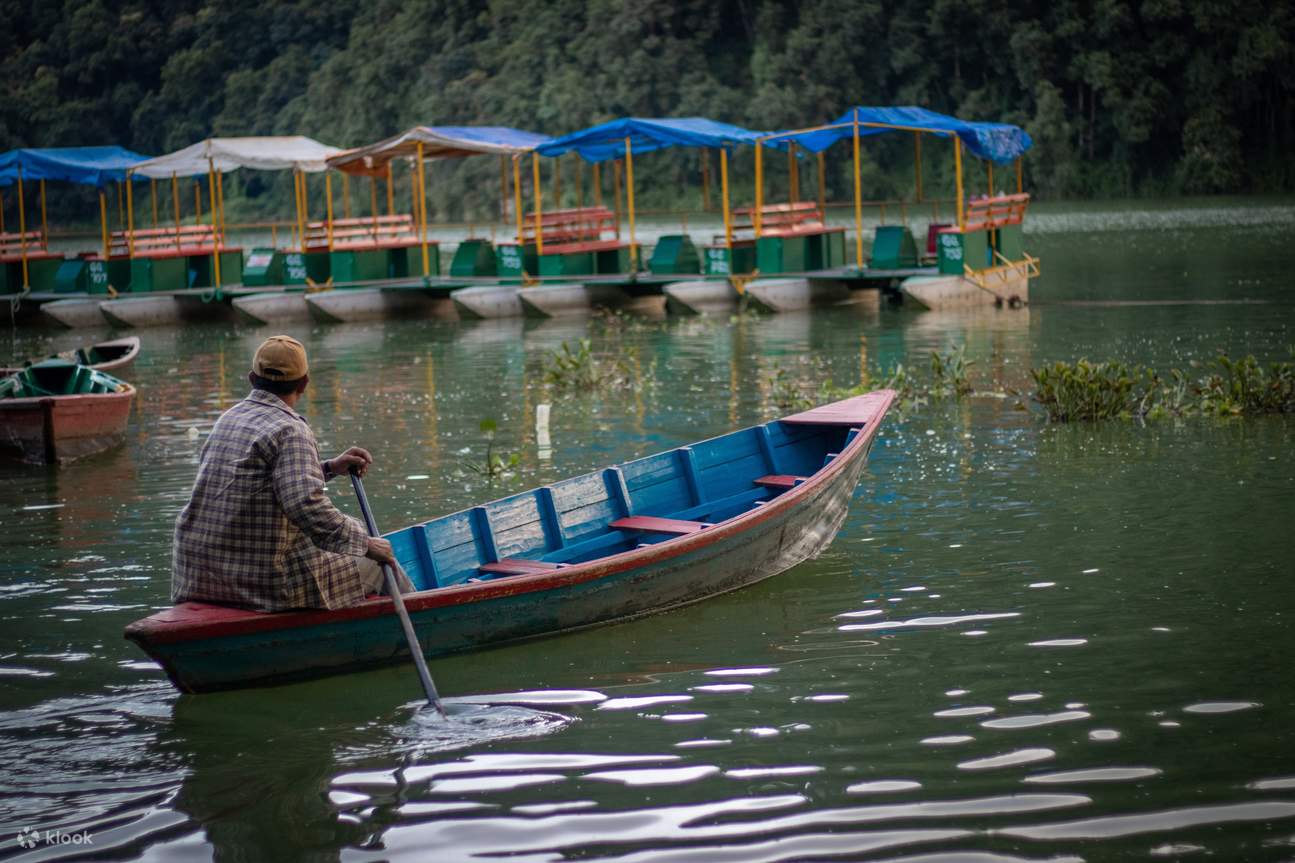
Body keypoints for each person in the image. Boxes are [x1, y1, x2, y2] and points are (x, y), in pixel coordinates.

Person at [172, 335, 413, 612]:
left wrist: (329, 468)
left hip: (197, 575)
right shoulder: (291, 430)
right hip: (261, 582)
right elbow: (306, 505)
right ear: (304, 384)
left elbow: (261, 482)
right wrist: (365, 543)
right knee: (381, 564)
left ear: (252, 378)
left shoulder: (229, 418)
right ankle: (424, 618)